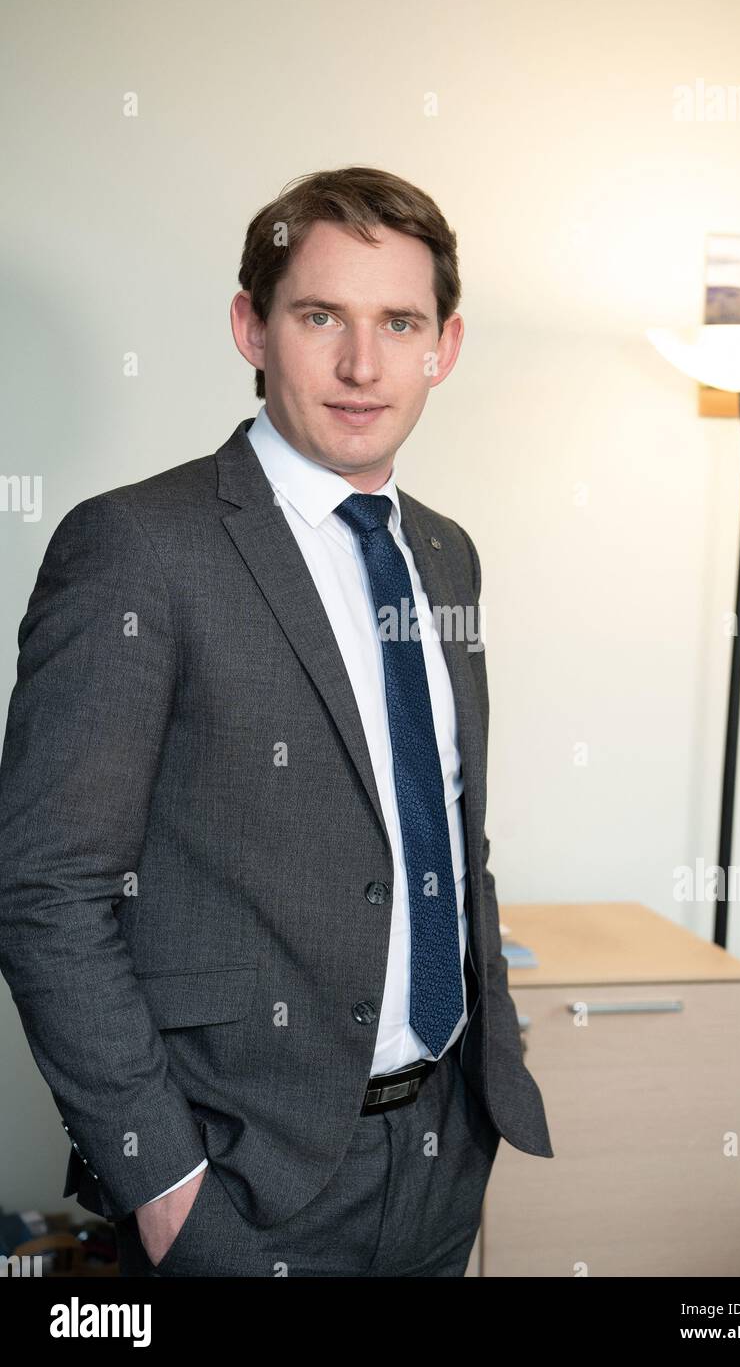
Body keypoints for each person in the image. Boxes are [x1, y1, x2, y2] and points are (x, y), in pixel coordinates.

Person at [0, 165, 553, 1278]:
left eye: (399, 322)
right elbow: (43, 887)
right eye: (320, 317)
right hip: (243, 1175)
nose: (363, 365)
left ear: (443, 345)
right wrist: (165, 1189)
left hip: (443, 1152)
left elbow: (445, 827)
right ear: (252, 326)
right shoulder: (139, 547)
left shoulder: (442, 551)